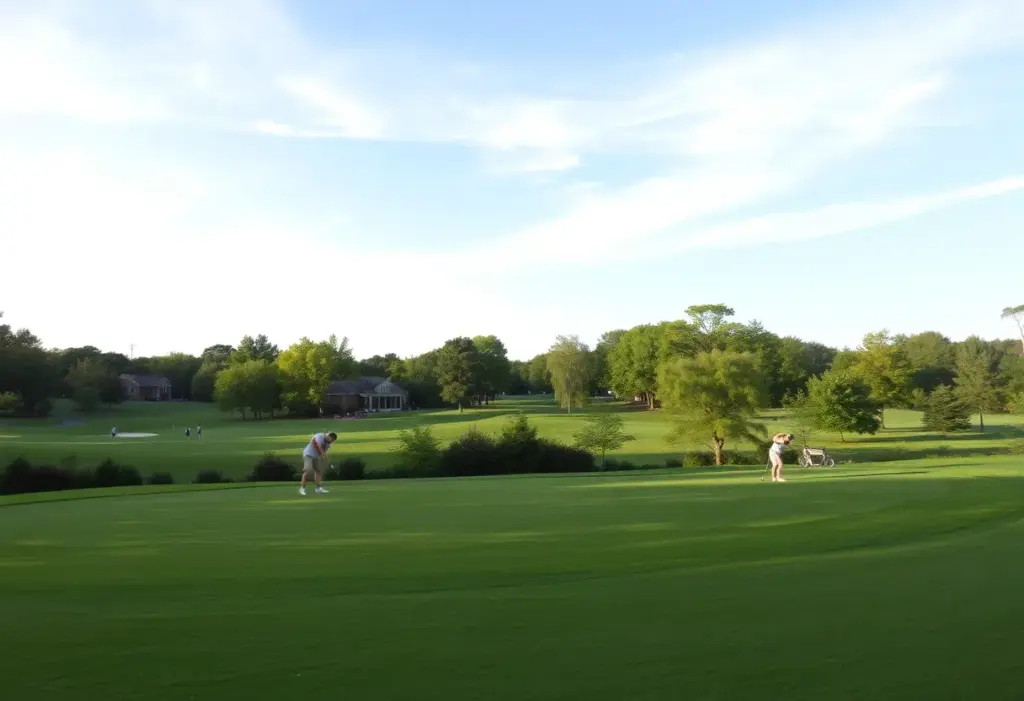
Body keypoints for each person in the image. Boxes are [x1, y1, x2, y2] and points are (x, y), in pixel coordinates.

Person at [300, 431, 337, 496]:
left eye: (333, 440)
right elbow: (317, 445)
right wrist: (322, 454)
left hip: (316, 456)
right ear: (328, 436)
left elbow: (323, 452)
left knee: (318, 471)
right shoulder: (319, 436)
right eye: (332, 439)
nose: (332, 441)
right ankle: (302, 489)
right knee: (308, 470)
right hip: (308, 454)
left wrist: (324, 457)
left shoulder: (328, 444)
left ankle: (318, 488)